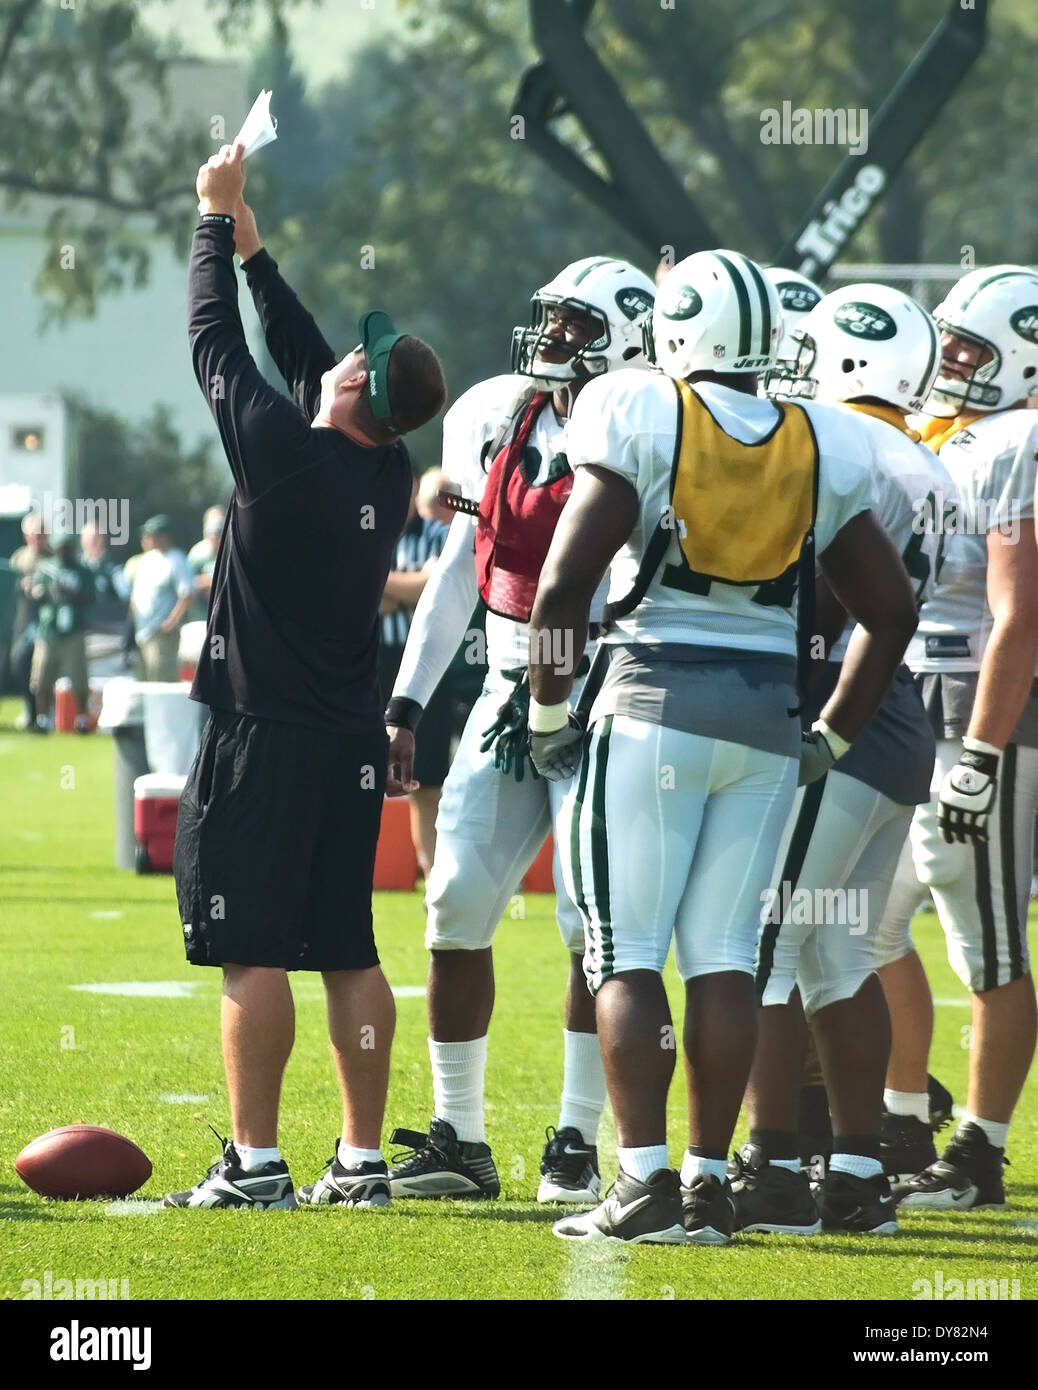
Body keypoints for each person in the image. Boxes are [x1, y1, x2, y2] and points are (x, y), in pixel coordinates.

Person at [529, 249, 919, 1245]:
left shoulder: (639, 412)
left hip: (652, 704)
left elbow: (564, 586)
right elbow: (891, 607)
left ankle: (646, 1182)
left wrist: (541, 707)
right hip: (767, 731)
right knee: (727, 960)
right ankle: (708, 1183)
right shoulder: (820, 438)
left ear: (679, 331)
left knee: (622, 953)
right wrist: (832, 730)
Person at [166, 142, 445, 1211]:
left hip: (260, 732)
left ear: (348, 392)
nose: (331, 356)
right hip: (346, 738)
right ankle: (363, 1161)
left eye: (348, 360)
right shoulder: (388, 461)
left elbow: (212, 346)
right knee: (345, 946)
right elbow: (296, 351)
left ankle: (255, 1162)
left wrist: (206, 222)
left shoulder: (287, 453)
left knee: (249, 950)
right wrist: (255, 245)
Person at [384, 257, 656, 1204]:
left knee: (592, 921)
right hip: (505, 687)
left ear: (624, 339)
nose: (550, 338)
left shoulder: (648, 423)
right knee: (455, 898)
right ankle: (461, 1136)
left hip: (603, 690)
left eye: (575, 325)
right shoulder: (499, 411)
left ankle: (577, 1139)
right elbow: (462, 566)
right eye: (548, 318)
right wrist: (409, 701)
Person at [738, 284, 952, 1237]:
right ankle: (859, 1175)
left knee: (765, 945)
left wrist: (811, 715)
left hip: (847, 712)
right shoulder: (926, 458)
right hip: (901, 721)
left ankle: (775, 1170)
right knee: (835, 955)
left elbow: (836, 596)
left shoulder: (837, 441)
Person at [877, 265, 1038, 1212]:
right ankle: (903, 1116)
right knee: (855, 925)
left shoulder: (1020, 438)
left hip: (979, 709)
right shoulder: (946, 432)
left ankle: (979, 1151)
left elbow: (1020, 616)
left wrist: (982, 750)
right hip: (909, 701)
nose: (954, 365)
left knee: (987, 946)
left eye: (975, 350)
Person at [378, 474, 450, 876]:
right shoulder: (366, 527)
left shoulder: (438, 534)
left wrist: (379, 582)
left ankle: (433, 877)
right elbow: (361, 599)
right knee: (359, 775)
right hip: (373, 664)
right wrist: (408, 586)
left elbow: (433, 588)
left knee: (426, 782)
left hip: (424, 665)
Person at [29, 530, 94, 733]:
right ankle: (42, 720)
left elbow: (91, 598)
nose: (63, 551)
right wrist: (37, 593)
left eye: (67, 548)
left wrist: (71, 594)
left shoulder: (83, 571)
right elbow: (35, 593)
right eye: (60, 548)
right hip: (49, 630)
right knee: (41, 678)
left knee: (78, 678)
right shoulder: (46, 569)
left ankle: (82, 719)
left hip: (73, 630)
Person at [129, 516, 195, 680]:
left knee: (161, 681)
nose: (147, 538)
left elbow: (188, 594)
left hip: (161, 633)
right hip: (142, 632)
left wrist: (171, 621)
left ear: (164, 536)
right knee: (143, 681)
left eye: (152, 535)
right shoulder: (147, 559)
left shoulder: (176, 559)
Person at [8, 513, 50, 730]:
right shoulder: (19, 558)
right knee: (20, 661)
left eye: (42, 533)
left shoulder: (52, 557)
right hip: (24, 620)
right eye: (34, 534)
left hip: (47, 622)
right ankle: (29, 708)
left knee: (43, 669)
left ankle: (42, 713)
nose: (38, 538)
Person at [187, 507, 226, 622]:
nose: (215, 536)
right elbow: (187, 583)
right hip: (202, 616)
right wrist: (208, 581)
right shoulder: (198, 553)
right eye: (212, 531)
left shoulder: (233, 551)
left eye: (219, 530)